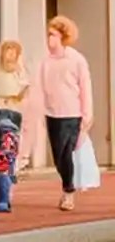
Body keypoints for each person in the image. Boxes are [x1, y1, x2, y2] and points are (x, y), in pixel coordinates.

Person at [32, 15, 93, 211]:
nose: (49, 39)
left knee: (66, 153)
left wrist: (87, 114)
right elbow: (39, 88)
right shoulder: (46, 62)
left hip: (72, 113)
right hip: (52, 114)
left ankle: (68, 192)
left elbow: (85, 87)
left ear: (63, 37)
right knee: (58, 155)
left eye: (53, 35)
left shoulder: (76, 60)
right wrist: (39, 112)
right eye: (48, 35)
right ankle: (67, 184)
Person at [0, 41, 28, 212]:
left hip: (15, 115)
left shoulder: (20, 73)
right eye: (8, 51)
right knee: (5, 156)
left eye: (14, 52)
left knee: (8, 157)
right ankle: (3, 199)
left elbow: (24, 93)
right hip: (2, 115)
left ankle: (5, 193)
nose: (10, 56)